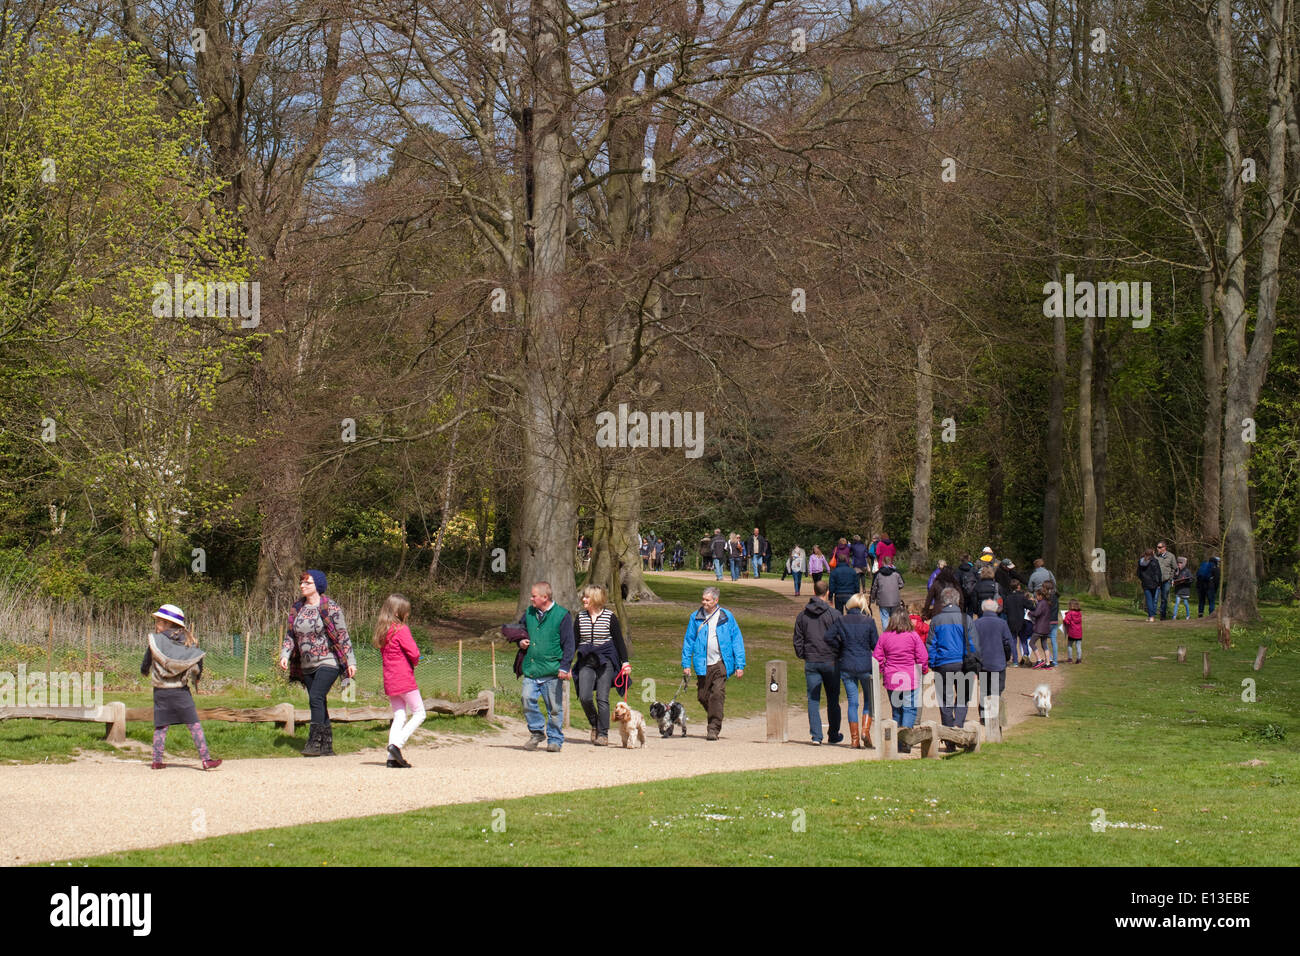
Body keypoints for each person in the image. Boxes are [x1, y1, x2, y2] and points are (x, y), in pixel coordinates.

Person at [280, 570, 356, 757]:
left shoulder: (331, 607)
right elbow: (290, 635)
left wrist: (350, 661)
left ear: (318, 586)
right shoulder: (297, 608)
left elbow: (342, 635)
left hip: (328, 661)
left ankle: (314, 742)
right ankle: (326, 746)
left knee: (315, 697)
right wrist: (285, 654)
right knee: (319, 701)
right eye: (302, 583)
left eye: (307, 583)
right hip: (306, 664)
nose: (302, 586)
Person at [141, 604, 221, 770]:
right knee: (194, 725)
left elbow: (146, 662)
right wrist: (196, 679)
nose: (156, 625)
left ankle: (156, 761)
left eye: (159, 622)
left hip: (161, 691)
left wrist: (144, 671)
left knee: (161, 726)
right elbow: (197, 663)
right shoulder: (188, 641)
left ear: (167, 623)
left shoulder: (155, 641)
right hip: (180, 691)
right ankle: (206, 760)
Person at [509, 581, 575, 752]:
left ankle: (555, 740)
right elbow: (520, 630)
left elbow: (569, 644)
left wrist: (564, 666)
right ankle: (537, 731)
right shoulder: (529, 613)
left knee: (554, 708)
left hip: (552, 670)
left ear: (545, 597)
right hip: (531, 668)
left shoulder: (562, 615)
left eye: (533, 596)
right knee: (526, 699)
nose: (530, 598)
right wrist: (520, 641)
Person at [681, 586, 745, 740]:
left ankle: (713, 729)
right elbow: (689, 641)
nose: (704, 602)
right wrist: (686, 664)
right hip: (702, 664)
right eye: (703, 599)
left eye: (707, 600)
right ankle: (716, 713)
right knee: (702, 696)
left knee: (717, 694)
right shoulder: (695, 617)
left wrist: (739, 664)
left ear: (716, 601)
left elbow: (737, 640)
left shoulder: (726, 616)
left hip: (720, 663)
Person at [570, 584, 630, 746]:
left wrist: (625, 663)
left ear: (596, 599)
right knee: (584, 696)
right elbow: (573, 643)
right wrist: (566, 664)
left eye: (587, 597)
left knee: (602, 698)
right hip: (586, 662)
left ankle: (603, 734)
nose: (584, 599)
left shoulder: (610, 617)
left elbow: (619, 642)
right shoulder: (580, 618)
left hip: (606, 662)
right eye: (584, 596)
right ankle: (595, 723)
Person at [374, 593, 423, 768]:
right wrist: (415, 662)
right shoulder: (401, 629)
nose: (407, 614)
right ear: (397, 612)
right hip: (404, 678)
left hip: (390, 679)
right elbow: (414, 653)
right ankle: (396, 745)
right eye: (405, 611)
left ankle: (391, 758)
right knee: (419, 713)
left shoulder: (382, 631)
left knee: (400, 715)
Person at [793, 580, 843, 745]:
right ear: (827, 593)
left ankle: (816, 735)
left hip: (813, 660)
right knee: (833, 698)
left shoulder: (803, 615)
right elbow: (841, 638)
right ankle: (833, 733)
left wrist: (804, 655)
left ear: (814, 592)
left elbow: (798, 639)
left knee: (813, 699)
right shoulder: (834, 614)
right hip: (830, 660)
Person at [827, 592, 879, 748]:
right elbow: (875, 645)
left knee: (852, 702)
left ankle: (854, 739)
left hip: (847, 663)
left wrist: (840, 646)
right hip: (864, 664)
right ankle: (865, 731)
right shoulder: (869, 621)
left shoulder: (841, 620)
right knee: (869, 701)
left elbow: (828, 637)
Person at [926, 587, 979, 738]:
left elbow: (931, 644)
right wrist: (975, 664)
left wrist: (932, 663)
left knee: (945, 700)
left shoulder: (936, 620)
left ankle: (948, 736)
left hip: (943, 664)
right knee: (962, 696)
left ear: (942, 602)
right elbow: (973, 643)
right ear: (957, 601)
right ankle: (958, 725)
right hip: (963, 663)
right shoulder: (966, 619)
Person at [873, 611, 929, 753]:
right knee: (909, 708)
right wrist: (923, 670)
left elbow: (877, 657)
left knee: (897, 709)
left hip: (892, 677)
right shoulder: (913, 636)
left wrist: (882, 670)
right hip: (909, 676)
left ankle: (898, 740)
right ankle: (905, 740)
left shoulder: (885, 637)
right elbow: (922, 656)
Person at [972, 599, 1013, 726]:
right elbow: (1008, 643)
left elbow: (973, 643)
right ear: (996, 609)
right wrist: (1006, 657)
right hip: (998, 661)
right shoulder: (1002, 623)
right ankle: (994, 715)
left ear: (983, 609)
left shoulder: (976, 623)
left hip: (983, 662)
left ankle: (984, 715)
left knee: (984, 689)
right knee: (997, 689)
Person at [1004, 577, 1032, 665]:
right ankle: (1026, 656)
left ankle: (1015, 661)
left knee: (1013, 641)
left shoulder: (1008, 598)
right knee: (1023, 640)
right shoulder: (1022, 597)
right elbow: (1031, 607)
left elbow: (1005, 610)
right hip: (1021, 621)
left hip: (1011, 621)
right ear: (1018, 587)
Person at [870, 560, 905, 629]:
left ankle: (886, 636)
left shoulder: (878, 574)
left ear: (883, 563)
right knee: (895, 619)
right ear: (891, 563)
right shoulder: (896, 573)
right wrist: (895, 588)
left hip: (882, 600)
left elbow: (874, 587)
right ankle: (895, 635)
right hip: (895, 600)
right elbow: (902, 584)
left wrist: (872, 598)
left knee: (884, 619)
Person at [1029, 584, 1055, 668]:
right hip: (1046, 628)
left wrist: (1030, 613)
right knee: (1044, 646)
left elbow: (1037, 613)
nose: (1036, 597)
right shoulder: (1047, 603)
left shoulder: (1041, 603)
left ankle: (1039, 659)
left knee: (1031, 643)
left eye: (1037, 596)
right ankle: (1047, 663)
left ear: (1040, 596)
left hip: (1039, 628)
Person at [1155, 540, 1178, 620]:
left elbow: (1175, 568)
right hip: (1157, 581)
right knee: (1155, 598)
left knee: (1164, 599)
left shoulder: (1171, 556)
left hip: (1166, 581)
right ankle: (1152, 615)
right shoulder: (1156, 556)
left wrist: (1170, 577)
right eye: (1157, 547)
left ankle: (1163, 616)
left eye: (1159, 547)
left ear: (1164, 548)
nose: (1158, 549)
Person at [1138, 548, 1162, 622]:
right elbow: (1158, 573)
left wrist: (1142, 579)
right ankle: (1152, 616)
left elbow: (1138, 573)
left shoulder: (1140, 561)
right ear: (1152, 553)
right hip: (1154, 583)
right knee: (1152, 600)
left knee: (1149, 600)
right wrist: (1159, 583)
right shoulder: (1155, 561)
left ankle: (1150, 616)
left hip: (1145, 583)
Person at [1064, 599, 1084, 663]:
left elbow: (1066, 621)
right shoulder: (1079, 613)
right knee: (1078, 646)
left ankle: (1070, 659)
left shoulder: (1070, 613)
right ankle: (1079, 659)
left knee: (1069, 645)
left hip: (1072, 633)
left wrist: (1065, 618)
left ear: (1070, 606)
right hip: (1079, 633)